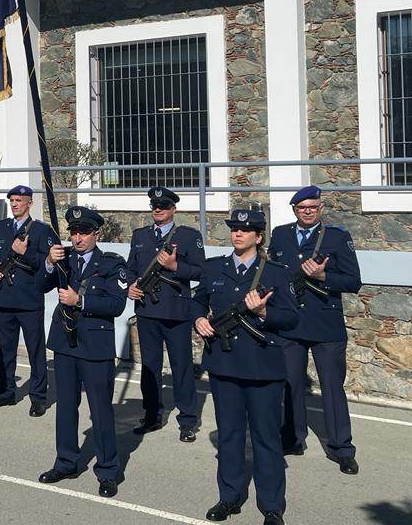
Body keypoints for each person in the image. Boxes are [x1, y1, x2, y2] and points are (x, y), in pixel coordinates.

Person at [193, 207, 298, 525]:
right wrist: (198, 318)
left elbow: (292, 317)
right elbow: (198, 300)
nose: (238, 233)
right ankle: (230, 496)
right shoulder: (215, 268)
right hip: (224, 365)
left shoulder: (276, 272)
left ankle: (271, 505)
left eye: (246, 229)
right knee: (229, 435)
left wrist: (264, 314)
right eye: (234, 229)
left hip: (263, 366)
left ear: (258, 235)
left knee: (266, 436)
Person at [270, 185, 362, 475]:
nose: (307, 211)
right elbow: (274, 271)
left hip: (325, 324)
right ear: (294, 210)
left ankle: (341, 448)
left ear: (320, 209)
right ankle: (293, 438)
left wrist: (323, 276)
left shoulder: (336, 237)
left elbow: (353, 281)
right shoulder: (281, 234)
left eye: (313, 207)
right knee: (290, 383)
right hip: (291, 323)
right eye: (302, 208)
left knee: (332, 388)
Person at [37, 206, 127, 499]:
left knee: (101, 411)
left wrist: (81, 301)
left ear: (96, 233)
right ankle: (66, 462)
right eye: (74, 232)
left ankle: (108, 470)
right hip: (65, 342)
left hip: (95, 347)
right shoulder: (63, 258)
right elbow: (39, 285)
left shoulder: (112, 264)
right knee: (65, 406)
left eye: (84, 232)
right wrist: (49, 264)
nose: (77, 238)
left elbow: (116, 305)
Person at [125, 186, 206, 442]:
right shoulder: (140, 236)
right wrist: (130, 286)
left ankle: (188, 420)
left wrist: (175, 266)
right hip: (147, 310)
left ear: (174, 209)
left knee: (181, 367)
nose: (158, 210)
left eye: (163, 206)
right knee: (150, 367)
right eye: (154, 206)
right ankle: (152, 415)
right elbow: (129, 269)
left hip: (176, 311)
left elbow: (200, 272)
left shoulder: (188, 236)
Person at [0, 185, 55, 417]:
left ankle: (38, 397)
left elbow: (47, 265)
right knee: (4, 350)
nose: (14, 204)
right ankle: (6, 392)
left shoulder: (41, 231)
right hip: (3, 298)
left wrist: (26, 253)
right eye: (12, 200)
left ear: (29, 203)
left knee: (35, 351)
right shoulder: (2, 227)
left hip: (29, 300)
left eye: (19, 200)